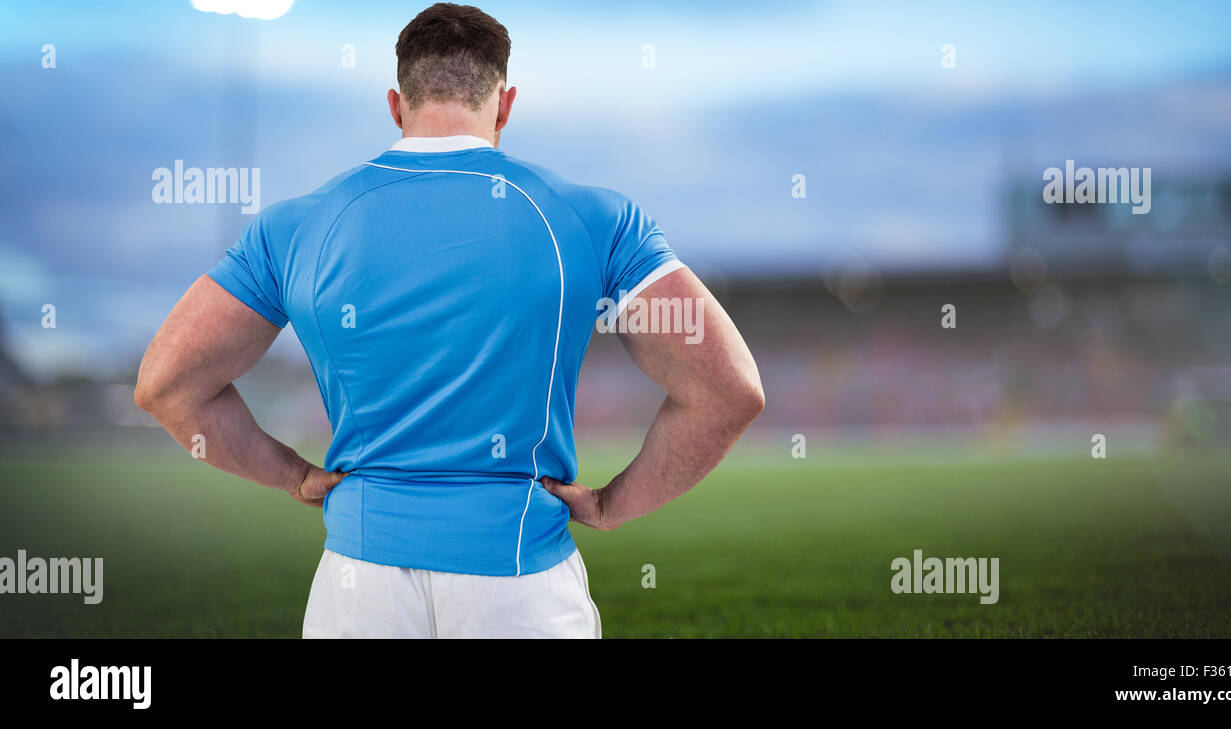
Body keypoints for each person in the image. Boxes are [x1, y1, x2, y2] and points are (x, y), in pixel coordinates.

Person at [134, 2, 763, 638]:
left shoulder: (296, 227)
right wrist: (610, 506)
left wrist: (293, 475)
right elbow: (728, 389)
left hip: (357, 588)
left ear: (396, 104)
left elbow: (166, 386)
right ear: (506, 104)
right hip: (521, 581)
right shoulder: (593, 219)